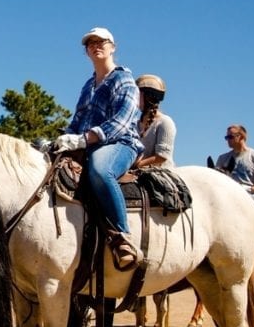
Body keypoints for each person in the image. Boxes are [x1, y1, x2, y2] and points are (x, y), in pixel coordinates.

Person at [53, 27, 143, 271]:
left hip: (120, 143)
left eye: (101, 41)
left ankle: (123, 238)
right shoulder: (87, 86)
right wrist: (60, 140)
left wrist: (84, 139)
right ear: (87, 52)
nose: (96, 46)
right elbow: (76, 122)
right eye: (90, 43)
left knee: (100, 170)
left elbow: (122, 121)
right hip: (87, 144)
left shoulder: (123, 79)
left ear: (113, 47)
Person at [216, 124, 254, 224]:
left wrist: (249, 189)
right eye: (226, 137)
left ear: (241, 137)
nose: (227, 140)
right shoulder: (222, 158)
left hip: (250, 193)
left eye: (230, 137)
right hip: (227, 193)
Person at [134, 74, 175, 169]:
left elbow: (161, 157)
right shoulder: (134, 124)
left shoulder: (165, 122)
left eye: (136, 94)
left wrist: (136, 165)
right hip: (137, 172)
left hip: (160, 173)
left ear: (148, 97)